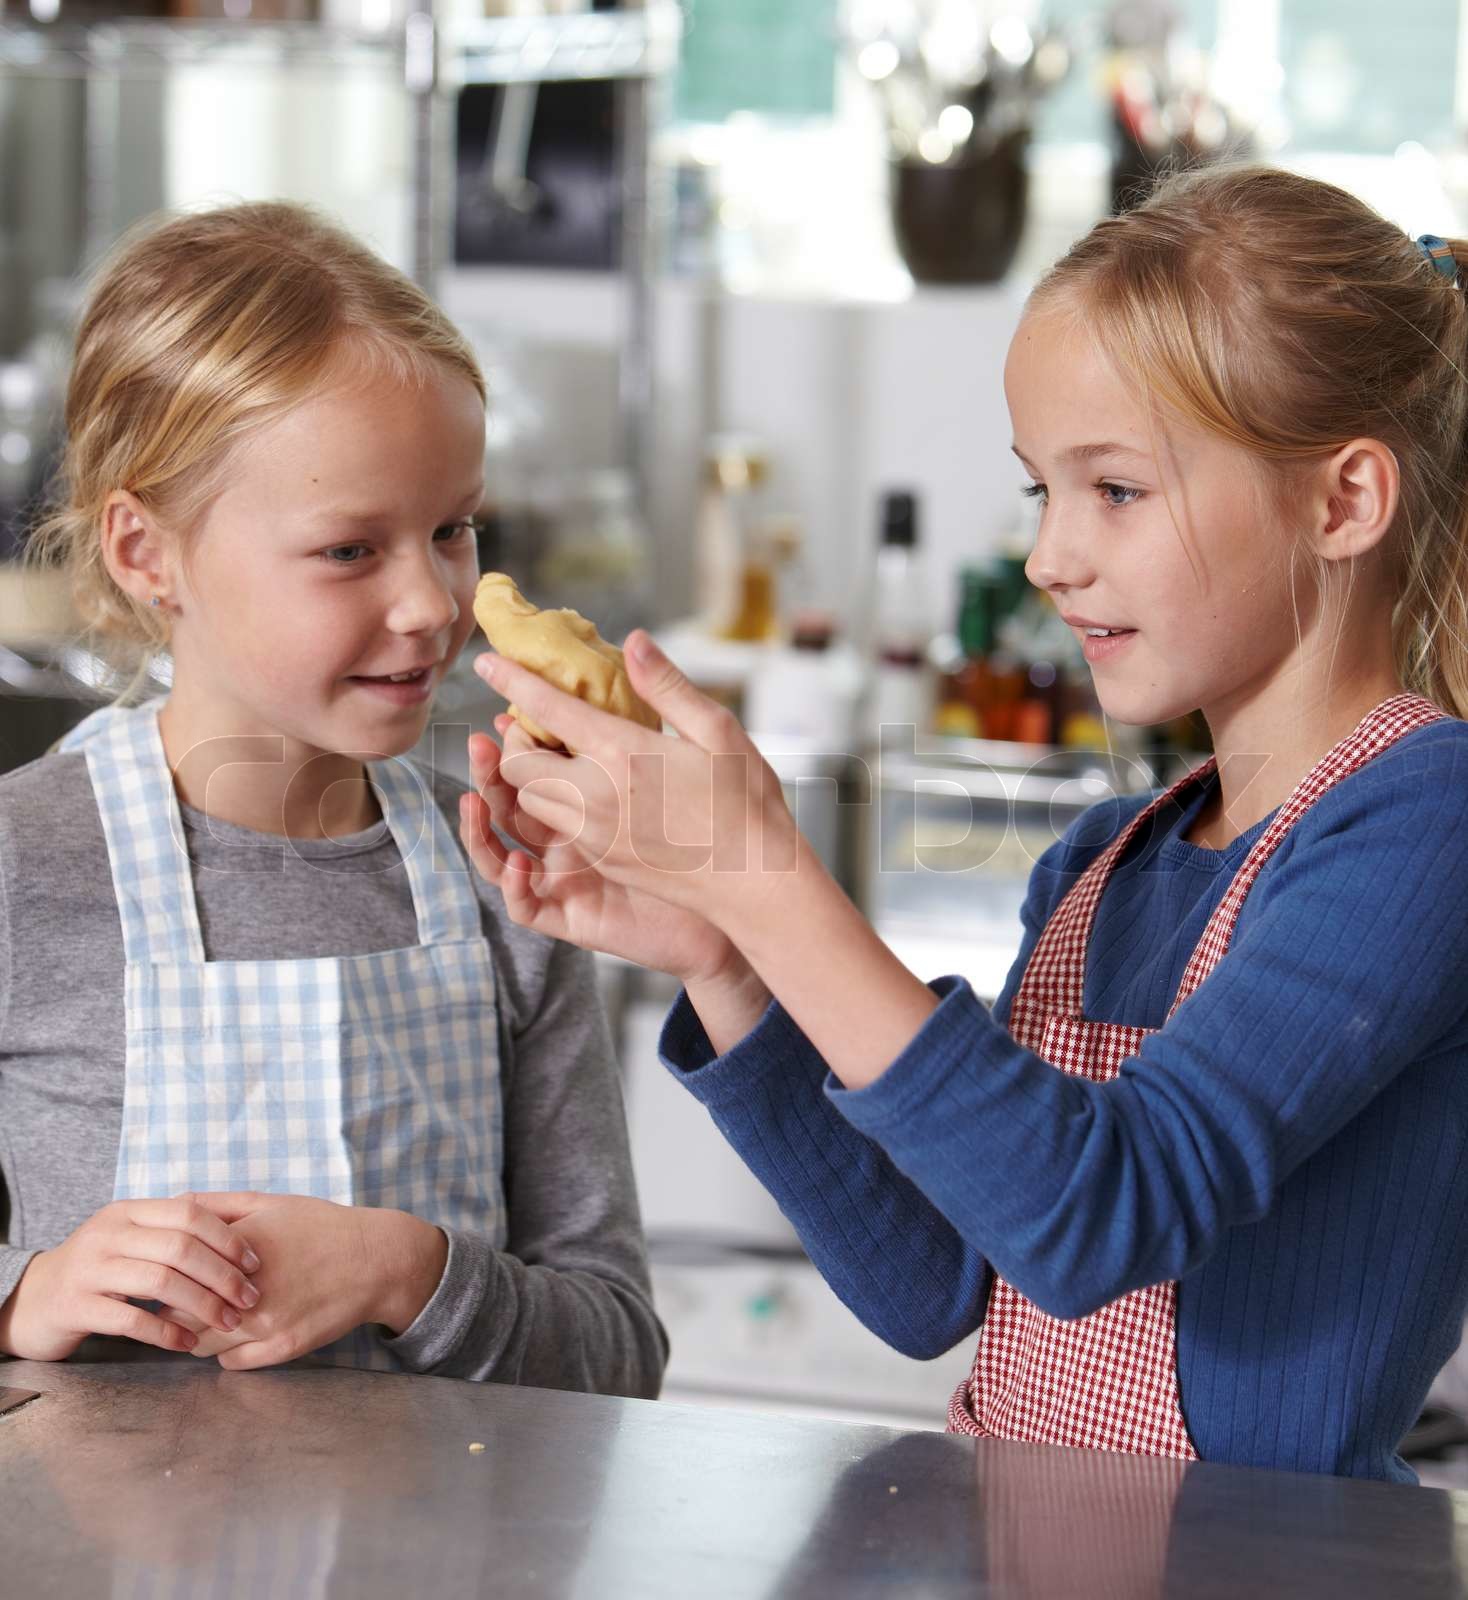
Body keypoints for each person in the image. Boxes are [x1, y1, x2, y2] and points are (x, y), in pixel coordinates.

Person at [462, 164, 1468, 1479]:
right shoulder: (1103, 867)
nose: (1052, 556)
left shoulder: (1424, 817)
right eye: (1038, 492)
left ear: (1341, 502)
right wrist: (726, 954)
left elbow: (1105, 1212)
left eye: (1115, 489)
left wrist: (767, 876)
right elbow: (932, 1281)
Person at [0, 201, 665, 1396]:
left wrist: (411, 1273)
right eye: (351, 549)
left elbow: (617, 1355)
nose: (430, 603)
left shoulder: (507, 871)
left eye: (452, 528)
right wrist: (26, 1290)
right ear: (148, 553)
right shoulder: (21, 867)